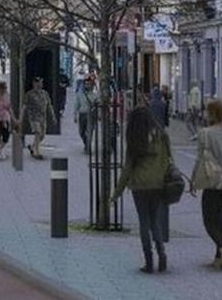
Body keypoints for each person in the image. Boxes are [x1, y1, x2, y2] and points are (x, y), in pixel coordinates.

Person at [112, 107, 173, 273]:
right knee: (155, 221)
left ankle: (148, 261)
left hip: (139, 186)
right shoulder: (162, 135)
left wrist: (116, 193)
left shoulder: (135, 138)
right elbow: (169, 159)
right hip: (158, 184)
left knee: (144, 223)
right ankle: (162, 255)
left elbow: (127, 169)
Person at [191, 99, 222, 269]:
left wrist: (194, 179)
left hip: (213, 181)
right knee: (219, 218)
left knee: (208, 219)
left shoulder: (205, 133)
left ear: (211, 113)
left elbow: (199, 158)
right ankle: (219, 255)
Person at [20, 77, 55, 160]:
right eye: (37, 82)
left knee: (42, 135)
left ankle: (32, 147)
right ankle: (37, 152)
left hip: (43, 117)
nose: (39, 84)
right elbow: (24, 106)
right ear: (34, 84)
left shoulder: (45, 93)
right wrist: (21, 117)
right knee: (37, 133)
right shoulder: (29, 94)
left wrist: (53, 116)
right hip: (33, 117)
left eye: (40, 82)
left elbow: (49, 105)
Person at [74, 77, 98, 154]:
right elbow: (76, 104)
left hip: (91, 115)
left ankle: (88, 147)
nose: (87, 85)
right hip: (82, 114)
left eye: (89, 84)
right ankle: (86, 144)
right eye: (86, 84)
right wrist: (75, 114)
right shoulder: (80, 94)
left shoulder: (95, 95)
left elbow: (98, 105)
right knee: (81, 132)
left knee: (90, 131)